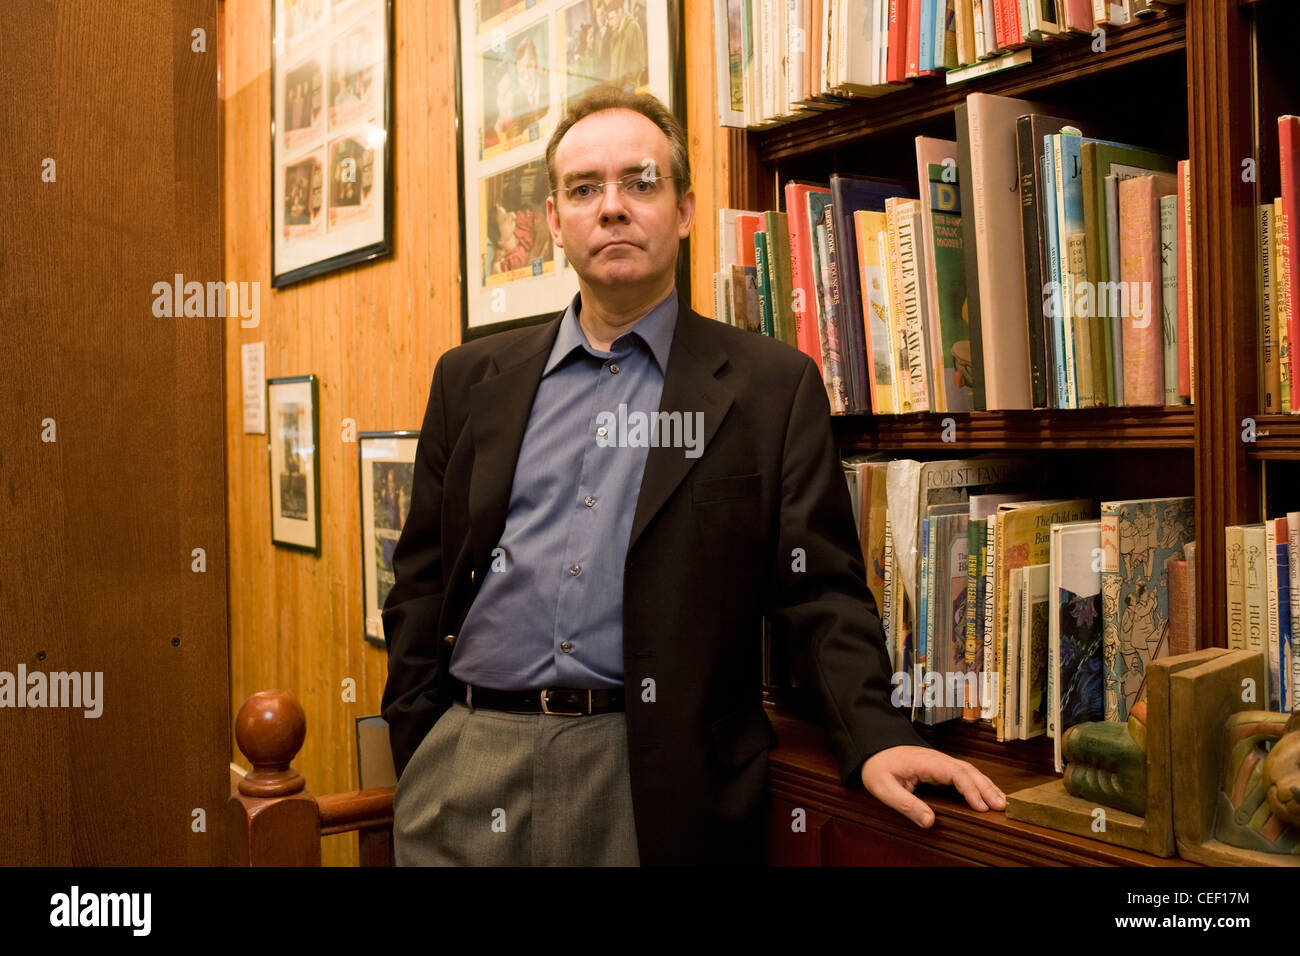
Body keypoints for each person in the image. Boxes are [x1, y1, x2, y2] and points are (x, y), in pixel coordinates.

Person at [382, 84, 1005, 867]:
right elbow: (422, 578)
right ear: (553, 223)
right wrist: (425, 740)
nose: (611, 207)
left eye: (640, 183)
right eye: (584, 189)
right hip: (470, 767)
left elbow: (819, 593)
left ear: (682, 210)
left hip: (654, 780)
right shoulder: (471, 379)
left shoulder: (770, 388)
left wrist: (874, 736)